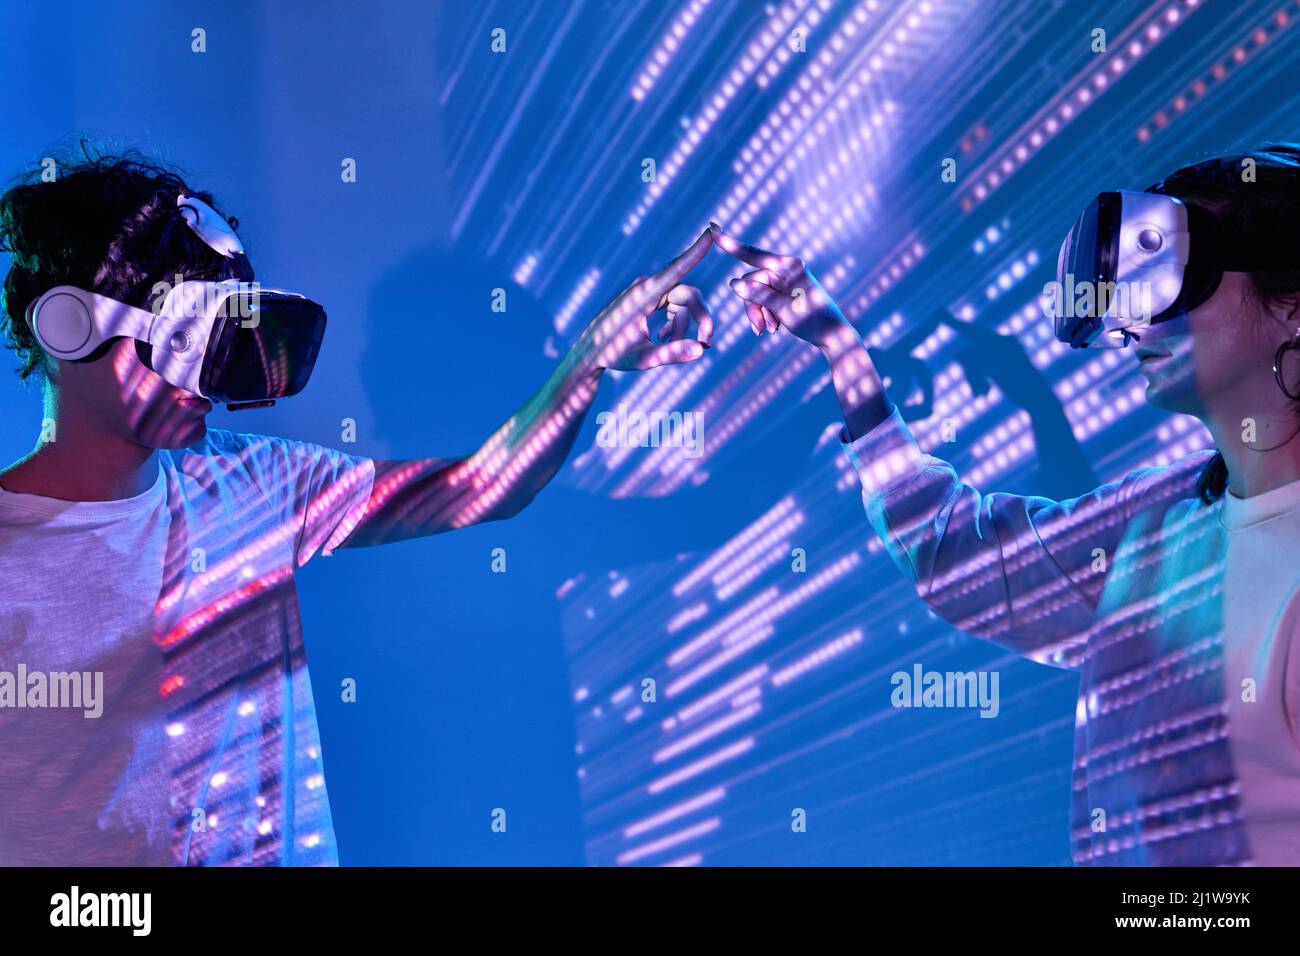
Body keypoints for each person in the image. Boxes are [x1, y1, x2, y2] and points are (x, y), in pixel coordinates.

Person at [0, 150, 715, 865]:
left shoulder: (253, 482)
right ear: (67, 326)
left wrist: (588, 360)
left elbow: (482, 487)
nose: (209, 378)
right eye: (181, 338)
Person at [713, 143, 1300, 866]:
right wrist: (845, 355)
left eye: (1175, 271)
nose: (1133, 324)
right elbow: (964, 562)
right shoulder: (1162, 520)